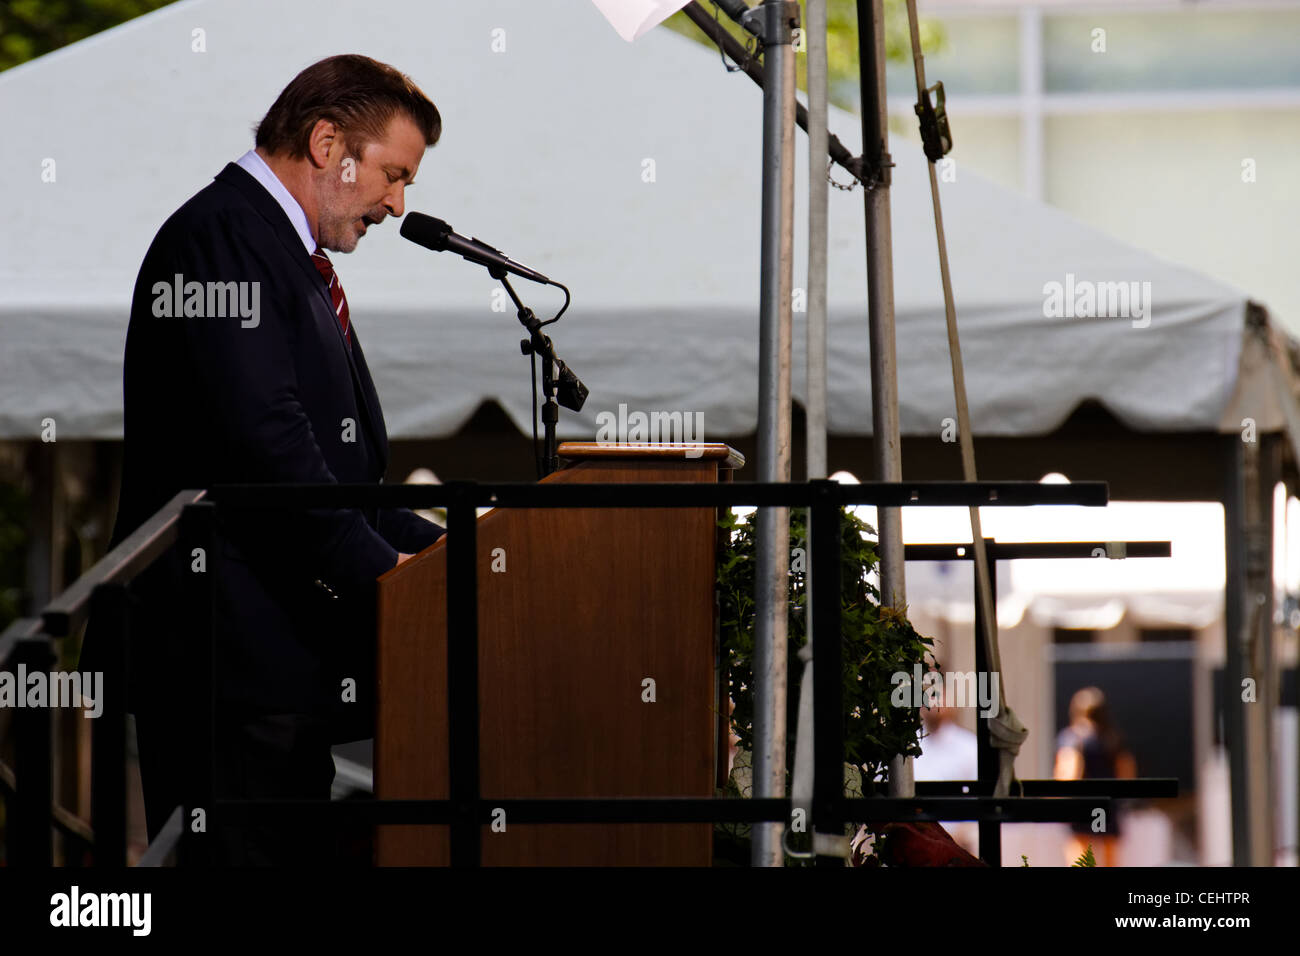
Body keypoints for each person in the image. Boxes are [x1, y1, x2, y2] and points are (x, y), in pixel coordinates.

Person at [79, 54, 446, 865]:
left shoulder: (272, 245)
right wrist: (395, 583)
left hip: (273, 659)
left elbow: (341, 478)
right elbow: (271, 449)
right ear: (326, 144)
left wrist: (454, 555)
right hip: (225, 659)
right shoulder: (223, 236)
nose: (397, 203)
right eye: (391, 174)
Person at [1053, 686, 1136, 866]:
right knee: (1110, 859)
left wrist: (1059, 797)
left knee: (1081, 857)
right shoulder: (1113, 739)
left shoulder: (1072, 738)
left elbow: (1070, 772)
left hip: (1081, 805)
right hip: (1107, 805)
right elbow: (1126, 772)